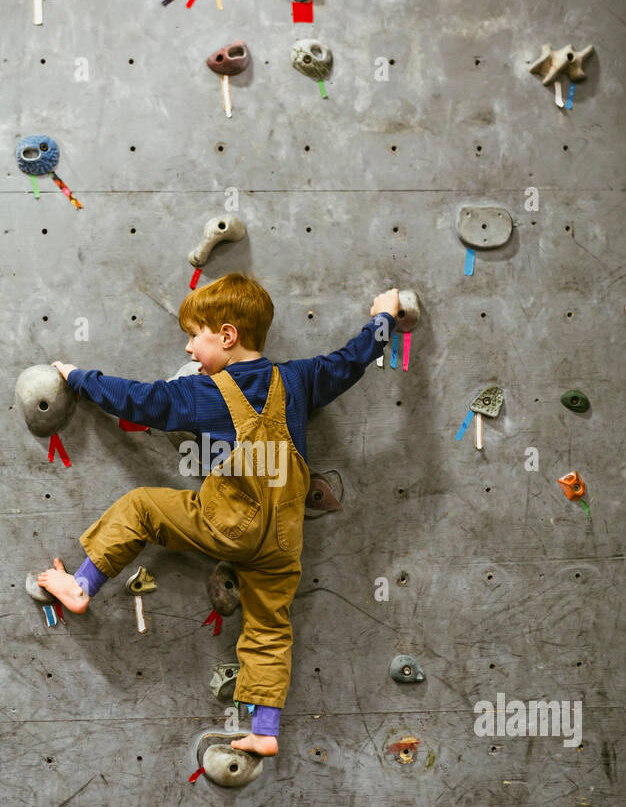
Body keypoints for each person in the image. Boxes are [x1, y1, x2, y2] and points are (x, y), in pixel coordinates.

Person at [38, 272, 399, 757]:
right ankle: (265, 730)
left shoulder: (204, 394)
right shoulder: (300, 379)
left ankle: (81, 587)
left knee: (143, 506)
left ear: (227, 336)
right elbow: (355, 358)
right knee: (270, 627)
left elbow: (142, 400)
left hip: (225, 525)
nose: (189, 350)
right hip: (283, 541)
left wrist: (77, 377)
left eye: (195, 336)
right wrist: (385, 317)